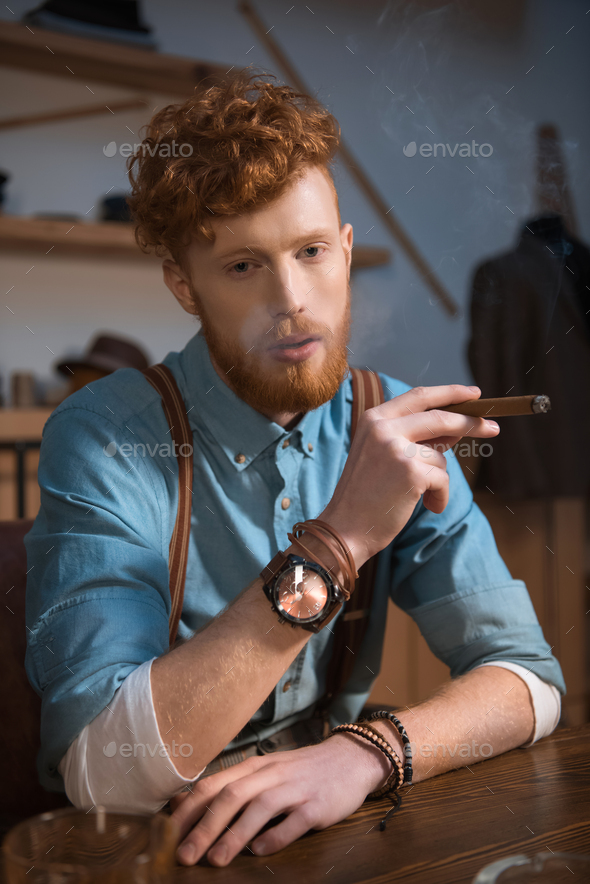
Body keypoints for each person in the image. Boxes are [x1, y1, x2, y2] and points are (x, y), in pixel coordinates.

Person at [24, 70, 564, 869]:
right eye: (244, 267)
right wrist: (341, 539)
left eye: (311, 252)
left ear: (344, 252)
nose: (293, 301)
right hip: (155, 851)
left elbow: (529, 680)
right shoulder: (105, 435)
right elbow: (102, 777)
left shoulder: (393, 423)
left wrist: (363, 754)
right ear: (184, 284)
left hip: (331, 827)